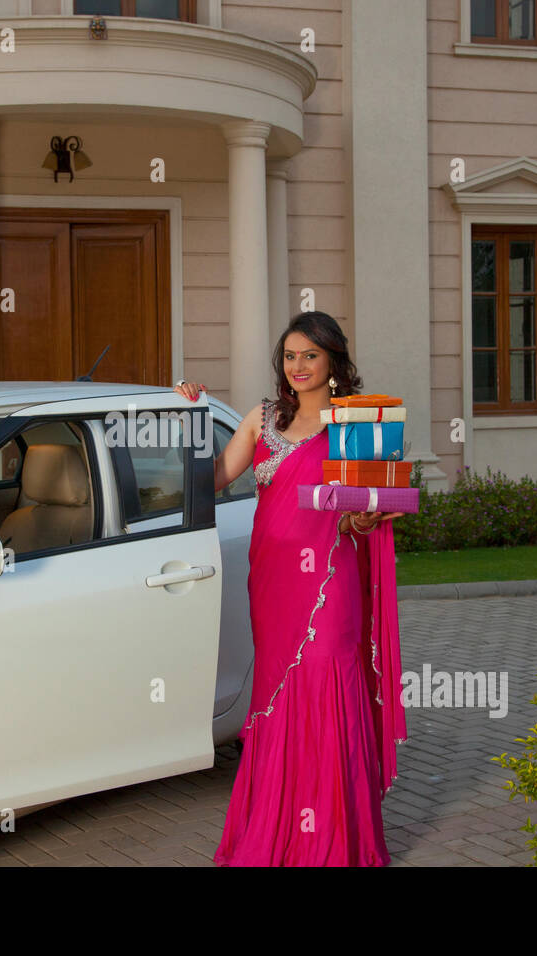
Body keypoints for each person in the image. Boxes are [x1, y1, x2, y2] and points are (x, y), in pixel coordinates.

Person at [174, 310, 408, 866]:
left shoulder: (358, 423)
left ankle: (335, 839)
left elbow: (365, 512)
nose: (298, 366)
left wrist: (365, 519)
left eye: (311, 355)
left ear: (333, 361)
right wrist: (188, 418)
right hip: (273, 581)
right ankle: (278, 829)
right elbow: (212, 479)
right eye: (290, 356)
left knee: (327, 676)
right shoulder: (262, 418)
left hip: (330, 579)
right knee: (277, 690)